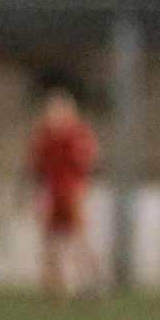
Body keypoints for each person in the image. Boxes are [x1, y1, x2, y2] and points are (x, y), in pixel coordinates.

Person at [25, 85, 102, 300]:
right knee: (49, 241)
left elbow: (89, 159)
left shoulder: (77, 134)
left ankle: (91, 281)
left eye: (59, 110)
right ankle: (54, 289)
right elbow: (36, 168)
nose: (54, 115)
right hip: (52, 193)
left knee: (78, 238)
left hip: (72, 192)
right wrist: (33, 194)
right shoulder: (45, 137)